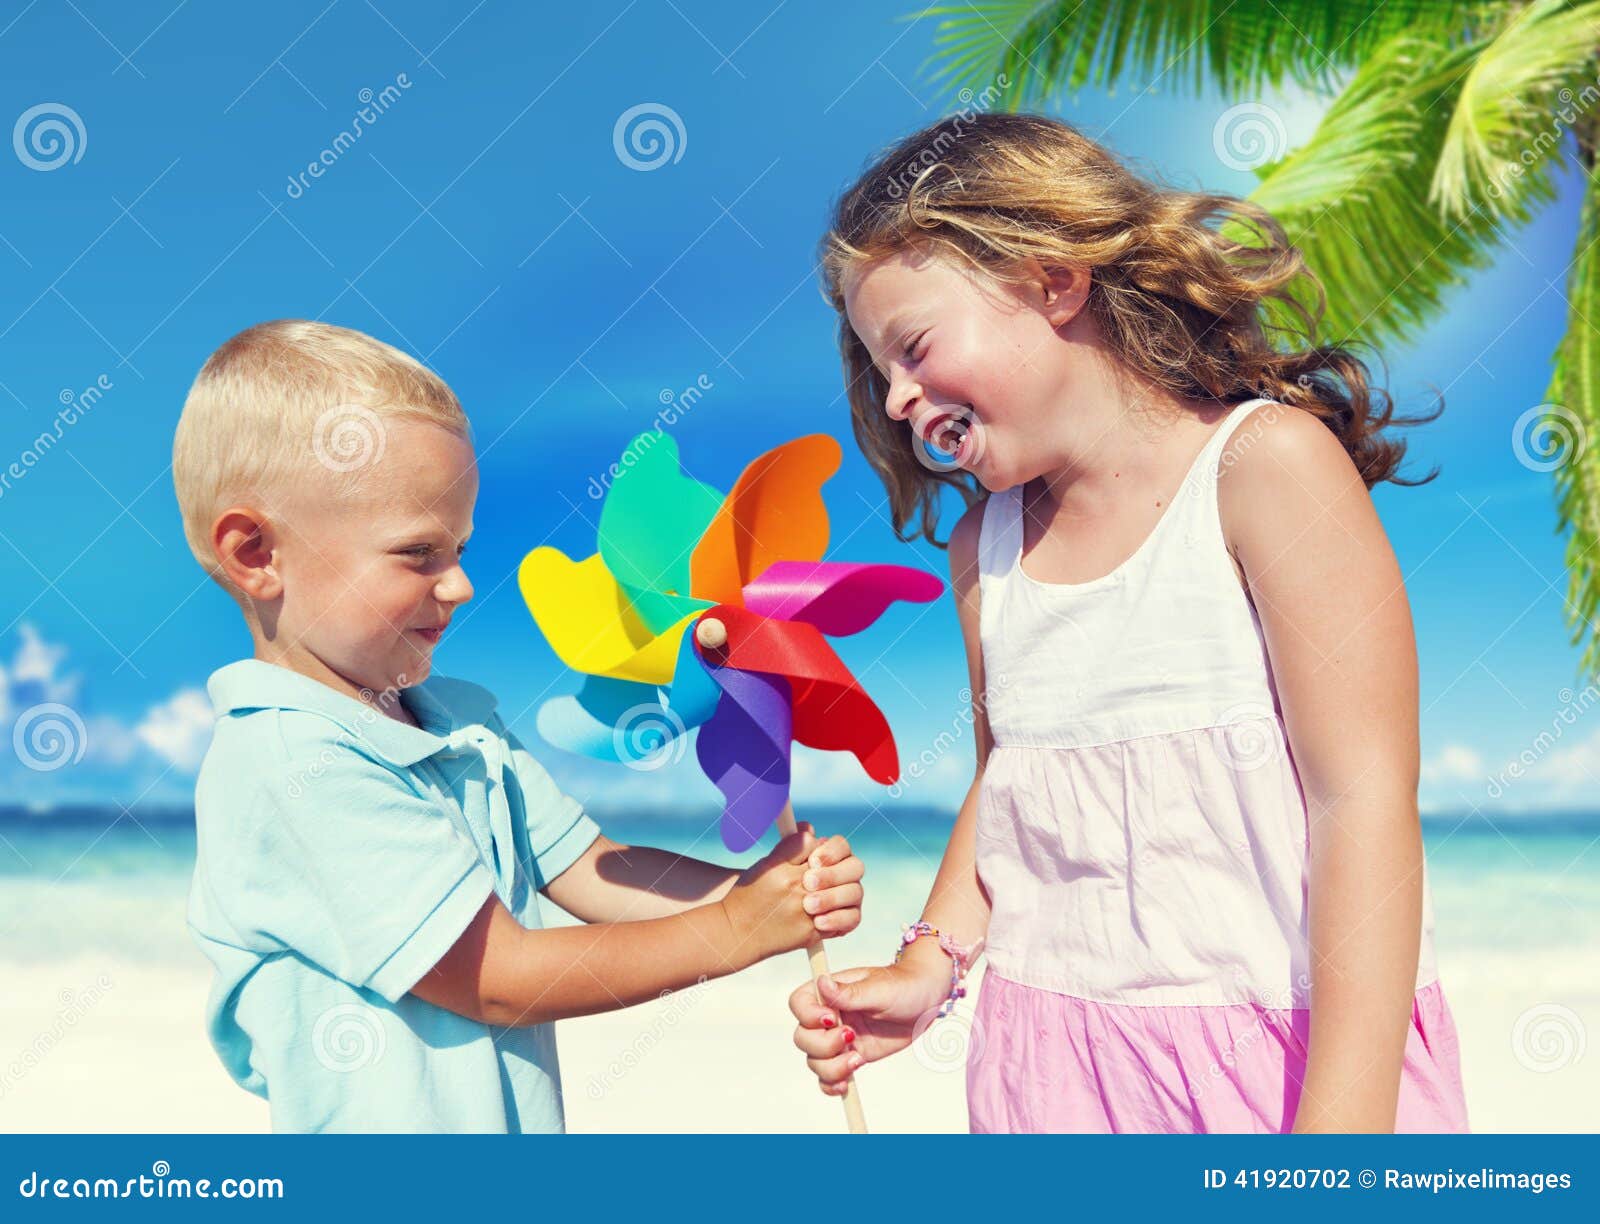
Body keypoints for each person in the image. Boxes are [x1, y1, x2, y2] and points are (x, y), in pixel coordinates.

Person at [788, 113, 1468, 1133]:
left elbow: (1360, 800)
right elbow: (1006, 787)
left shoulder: (1263, 467)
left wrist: (1344, 1126)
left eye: (915, 349)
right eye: (881, 373)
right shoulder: (984, 551)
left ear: (1054, 280)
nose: (895, 400)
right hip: (1048, 1072)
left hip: (1282, 1062)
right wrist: (931, 964)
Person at [174, 319, 865, 1132]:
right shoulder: (289, 761)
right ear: (256, 554)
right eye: (418, 553)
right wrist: (733, 930)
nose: (460, 584)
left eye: (460, 548)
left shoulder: (462, 722)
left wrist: (763, 893)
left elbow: (594, 870)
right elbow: (497, 977)